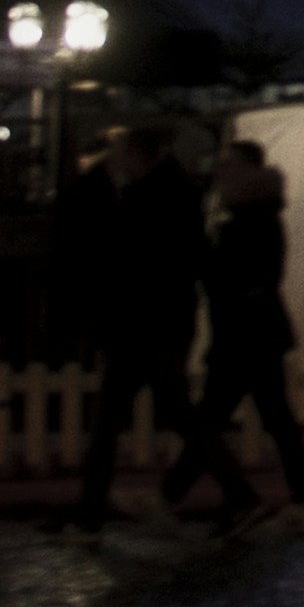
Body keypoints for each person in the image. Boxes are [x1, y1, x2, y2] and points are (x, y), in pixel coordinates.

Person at [164, 138, 304, 532]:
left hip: (244, 335)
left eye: (229, 164)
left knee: (218, 417)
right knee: (246, 417)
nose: (221, 172)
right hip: (254, 333)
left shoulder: (249, 221)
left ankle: (177, 494)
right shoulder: (255, 217)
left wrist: (207, 262)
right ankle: (297, 497)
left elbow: (240, 278)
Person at [70, 122, 215, 536]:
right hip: (155, 324)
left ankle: (90, 511)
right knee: (168, 416)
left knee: (124, 420)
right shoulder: (174, 192)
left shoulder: (151, 197)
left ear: (137, 156)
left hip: (142, 326)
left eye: (122, 154)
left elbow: (129, 264)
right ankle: (89, 510)